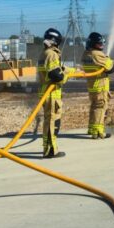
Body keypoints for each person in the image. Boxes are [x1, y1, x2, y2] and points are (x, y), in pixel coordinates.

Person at [37, 27, 67, 158]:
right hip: (51, 93)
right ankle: (50, 150)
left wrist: (66, 69)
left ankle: (48, 148)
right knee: (52, 122)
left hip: (47, 92)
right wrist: (66, 74)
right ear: (56, 41)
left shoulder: (44, 53)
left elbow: (54, 70)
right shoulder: (52, 54)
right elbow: (56, 75)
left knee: (50, 120)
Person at [81, 32, 114, 139]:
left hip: (92, 86)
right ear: (93, 44)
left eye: (102, 43)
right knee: (100, 107)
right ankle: (98, 131)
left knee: (94, 106)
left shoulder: (85, 54)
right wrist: (108, 59)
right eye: (99, 44)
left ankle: (91, 128)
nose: (102, 45)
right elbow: (111, 69)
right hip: (100, 86)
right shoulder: (97, 54)